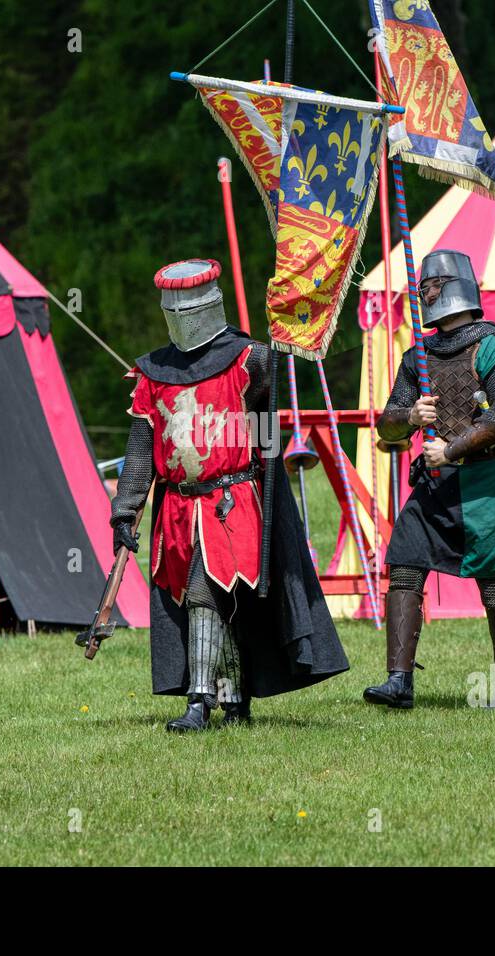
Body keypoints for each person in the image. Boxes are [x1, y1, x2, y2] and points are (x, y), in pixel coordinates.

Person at [109, 258, 348, 732]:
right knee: (220, 599)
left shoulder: (248, 359)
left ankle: (199, 703)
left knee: (206, 592)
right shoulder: (154, 372)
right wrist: (126, 509)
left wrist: (279, 345)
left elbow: (267, 427)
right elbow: (141, 450)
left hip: (230, 500)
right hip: (176, 506)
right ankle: (233, 698)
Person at [363, 249, 495, 710]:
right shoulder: (418, 356)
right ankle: (398, 682)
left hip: (486, 483)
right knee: (404, 565)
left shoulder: (494, 347)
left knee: (493, 584)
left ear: (451, 287)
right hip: (434, 487)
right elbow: (386, 425)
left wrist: (448, 448)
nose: (424, 293)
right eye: (422, 285)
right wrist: (409, 415)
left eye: (430, 285)